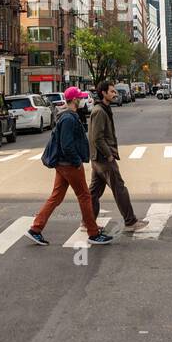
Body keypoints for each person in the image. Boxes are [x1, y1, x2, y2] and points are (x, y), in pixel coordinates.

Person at [27, 87, 113, 246]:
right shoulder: (68, 119)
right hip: (69, 165)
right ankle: (93, 233)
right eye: (79, 97)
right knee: (85, 196)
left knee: (56, 197)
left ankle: (36, 229)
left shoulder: (67, 116)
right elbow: (66, 145)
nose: (81, 100)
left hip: (63, 164)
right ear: (74, 100)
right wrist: (76, 162)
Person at [87, 81, 148, 232]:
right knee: (119, 189)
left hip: (97, 158)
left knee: (94, 193)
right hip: (103, 158)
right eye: (112, 91)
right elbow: (97, 138)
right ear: (103, 93)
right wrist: (108, 155)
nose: (115, 94)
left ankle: (87, 222)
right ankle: (130, 221)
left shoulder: (103, 109)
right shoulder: (100, 111)